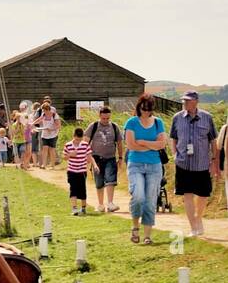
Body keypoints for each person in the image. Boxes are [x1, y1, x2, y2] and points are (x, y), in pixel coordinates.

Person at [169, 90, 217, 238]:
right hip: (183, 163)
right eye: (183, 101)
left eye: (187, 101)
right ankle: (193, 227)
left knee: (203, 195)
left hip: (202, 163)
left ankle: (198, 218)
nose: (184, 103)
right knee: (187, 195)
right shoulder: (177, 118)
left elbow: (213, 141)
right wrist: (175, 154)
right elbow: (173, 139)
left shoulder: (207, 117)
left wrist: (213, 161)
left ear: (196, 101)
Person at [124, 94, 167, 245]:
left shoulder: (158, 123)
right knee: (138, 196)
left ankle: (147, 235)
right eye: (143, 108)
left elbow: (162, 144)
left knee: (150, 201)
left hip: (154, 166)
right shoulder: (132, 122)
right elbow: (130, 145)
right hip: (135, 164)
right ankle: (135, 227)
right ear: (139, 107)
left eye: (148, 109)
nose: (145, 112)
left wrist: (142, 142)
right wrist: (151, 145)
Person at [85, 107, 123, 214]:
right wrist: (87, 157)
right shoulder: (93, 126)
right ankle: (100, 204)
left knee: (111, 180)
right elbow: (85, 142)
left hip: (110, 157)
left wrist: (120, 157)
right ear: (99, 116)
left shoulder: (114, 127)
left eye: (107, 118)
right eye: (104, 118)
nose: (106, 120)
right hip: (96, 158)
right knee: (99, 181)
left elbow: (119, 143)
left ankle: (110, 203)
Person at [63, 128, 95, 216]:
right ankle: (74, 208)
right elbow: (64, 157)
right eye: (76, 139)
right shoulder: (68, 145)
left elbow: (89, 156)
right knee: (73, 189)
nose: (78, 141)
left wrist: (92, 163)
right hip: (71, 171)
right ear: (73, 137)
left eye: (80, 140)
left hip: (82, 171)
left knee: (82, 189)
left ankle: (83, 208)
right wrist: (70, 155)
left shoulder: (85, 145)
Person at [38, 99, 61, 169]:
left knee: (52, 149)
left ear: (48, 109)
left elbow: (58, 125)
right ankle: (44, 165)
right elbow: (39, 119)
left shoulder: (54, 115)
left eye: (44, 110)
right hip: (45, 134)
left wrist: (51, 129)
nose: (43, 111)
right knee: (45, 148)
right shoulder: (43, 114)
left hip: (53, 135)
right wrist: (32, 123)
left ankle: (52, 165)